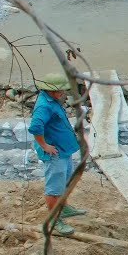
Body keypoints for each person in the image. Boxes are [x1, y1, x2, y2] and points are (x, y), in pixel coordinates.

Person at [29, 72, 86, 236]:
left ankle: (64, 207)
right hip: (55, 153)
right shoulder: (44, 106)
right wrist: (44, 145)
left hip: (63, 149)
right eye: (59, 91)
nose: (62, 93)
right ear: (49, 90)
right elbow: (35, 127)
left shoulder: (51, 101)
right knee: (54, 188)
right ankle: (54, 219)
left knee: (65, 180)